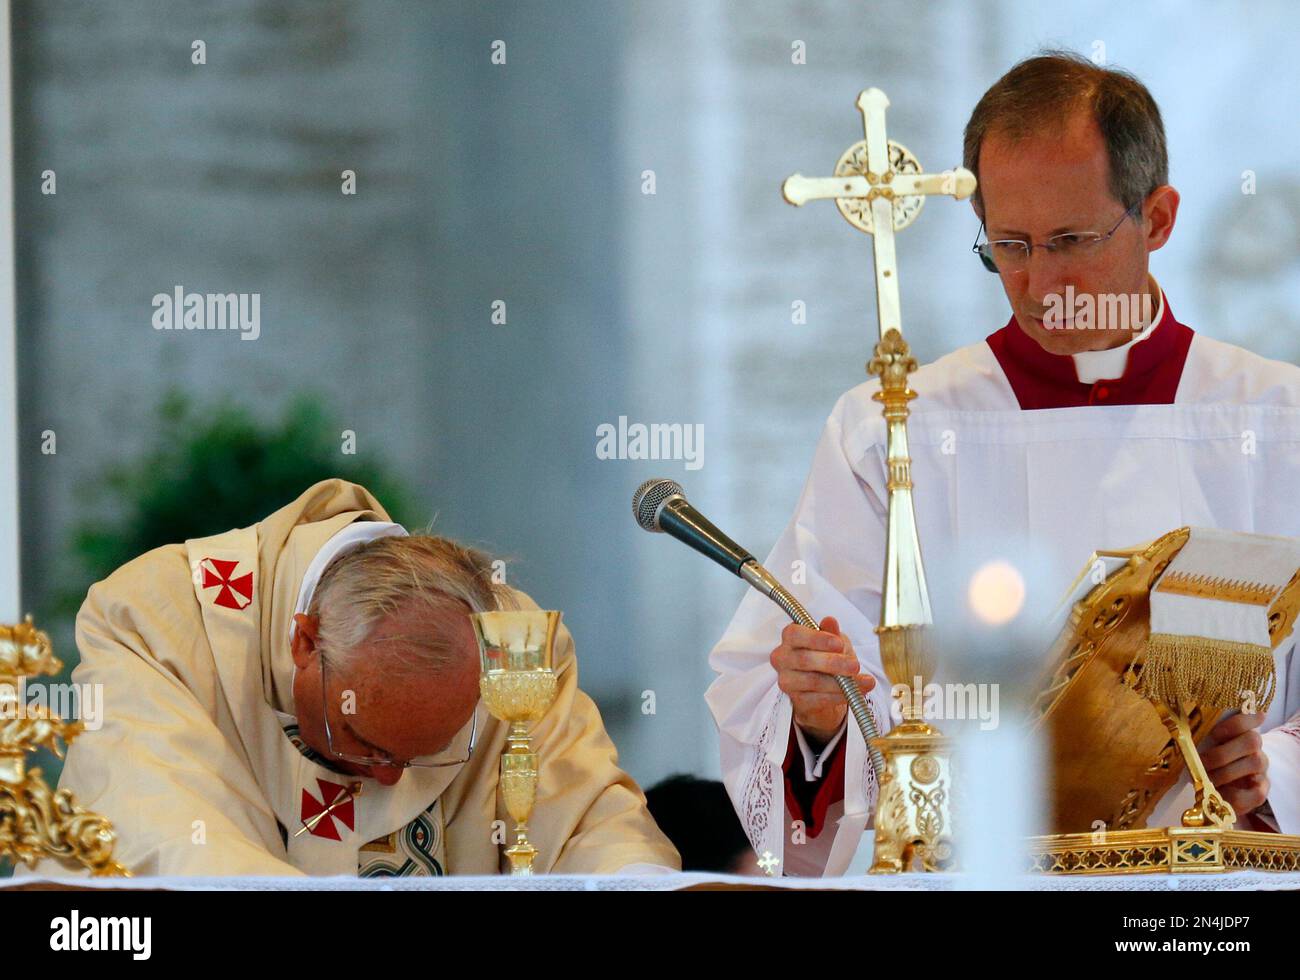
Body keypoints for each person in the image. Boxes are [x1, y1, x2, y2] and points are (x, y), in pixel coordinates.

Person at [707, 51, 1300, 877]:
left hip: (1208, 896)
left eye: (1070, 241)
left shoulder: (1277, 421)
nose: (1041, 281)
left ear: (1157, 217)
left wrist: (1271, 775)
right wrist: (818, 719)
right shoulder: (890, 431)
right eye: (1010, 246)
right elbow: (790, 691)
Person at [27, 478, 679, 876]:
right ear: (304, 640)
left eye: (422, 752)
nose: (390, 778)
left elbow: (588, 821)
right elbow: (158, 831)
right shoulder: (159, 618)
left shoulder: (512, 647)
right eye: (363, 741)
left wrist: (637, 881)